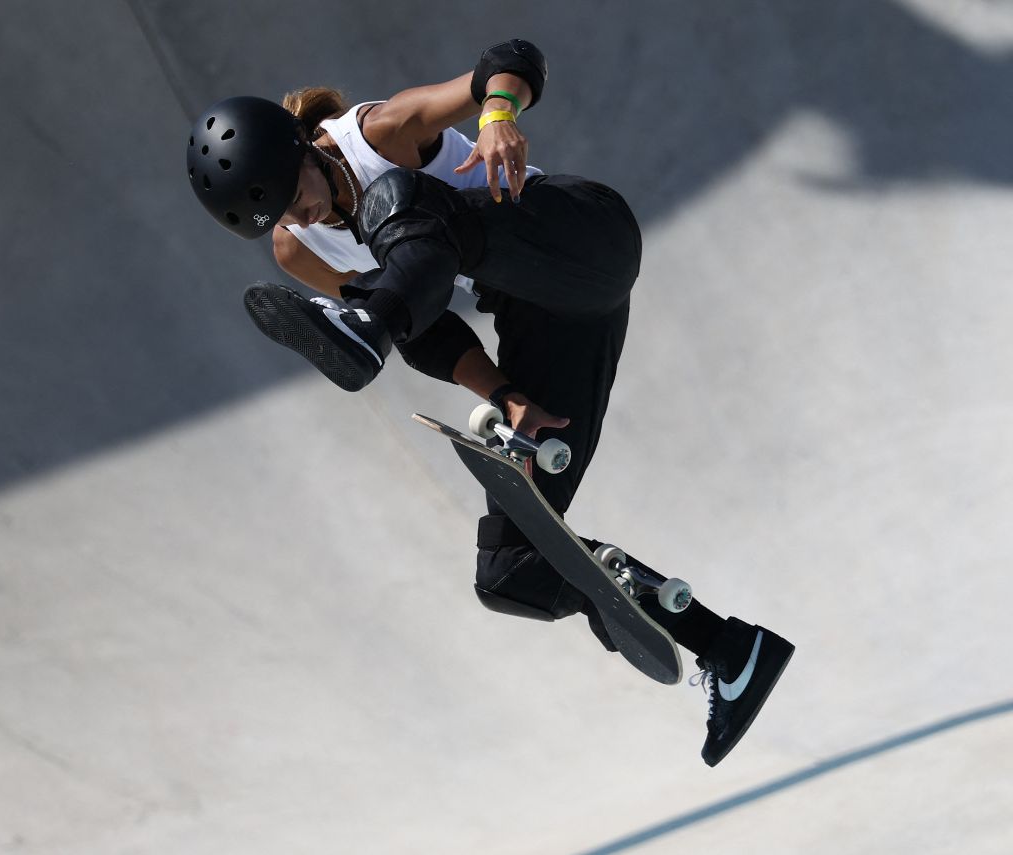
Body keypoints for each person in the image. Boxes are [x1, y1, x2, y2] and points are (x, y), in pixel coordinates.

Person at [186, 39, 793, 767]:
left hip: (582, 238)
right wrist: (508, 397)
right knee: (512, 570)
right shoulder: (297, 249)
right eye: (282, 216)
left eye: (295, 193)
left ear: (302, 148)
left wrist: (498, 114)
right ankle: (728, 648)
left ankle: (367, 326)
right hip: (557, 323)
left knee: (399, 203)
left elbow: (509, 60)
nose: (303, 216)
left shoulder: (381, 132)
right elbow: (433, 329)